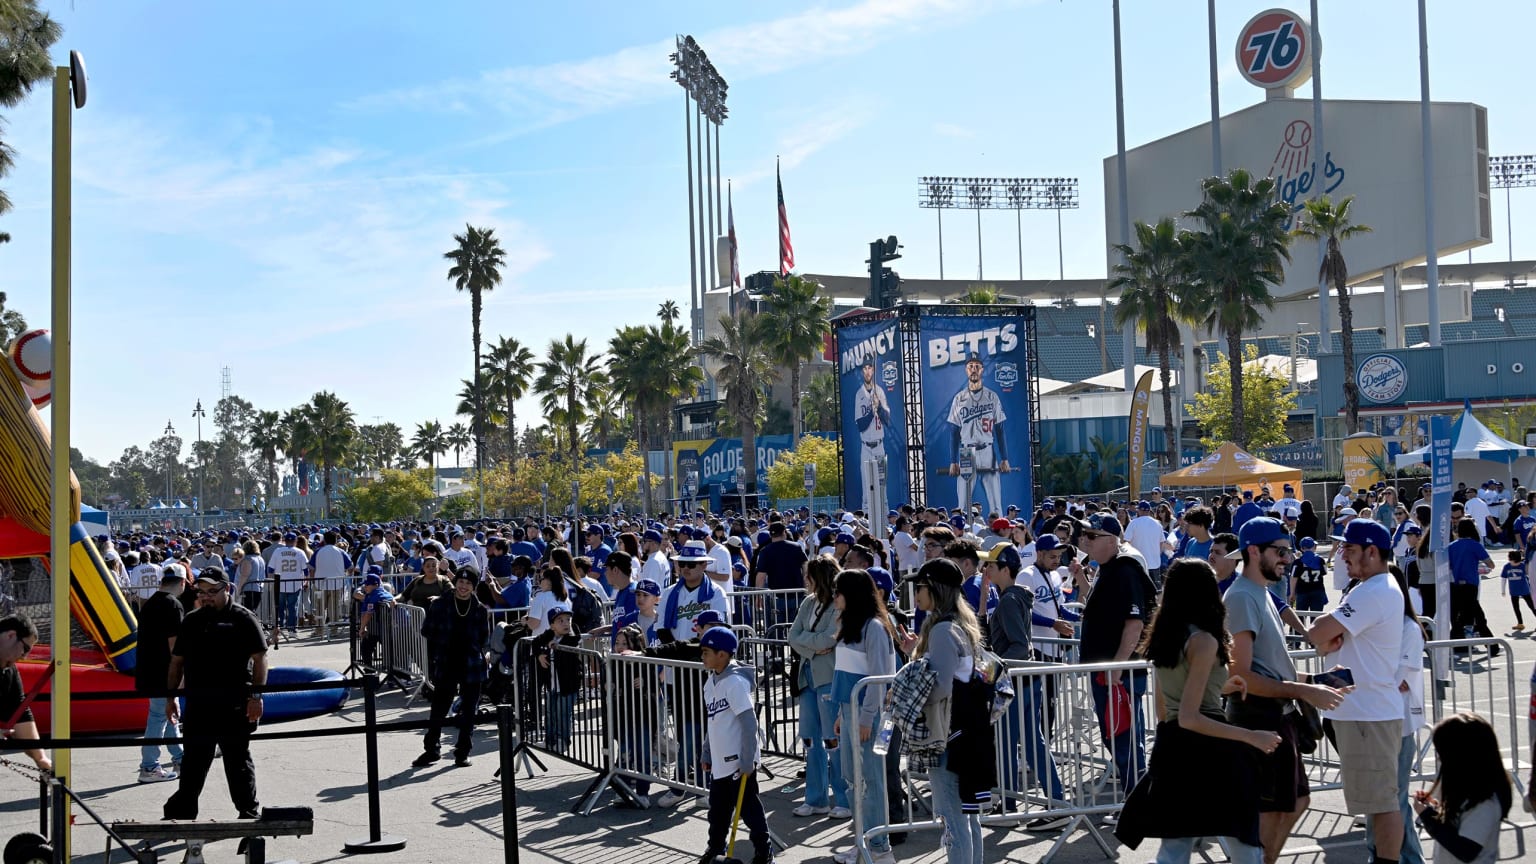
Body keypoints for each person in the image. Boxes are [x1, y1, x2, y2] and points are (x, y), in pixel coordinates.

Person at [1115, 558, 1279, 864]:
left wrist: (1220, 687)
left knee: (1175, 847)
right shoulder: (1203, 641)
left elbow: (1168, 708)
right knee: (1243, 840)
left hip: (1173, 747)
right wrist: (1251, 736)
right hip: (1207, 750)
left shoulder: (1165, 638)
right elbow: (1191, 716)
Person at [1223, 518, 1345, 864]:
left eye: (1288, 551)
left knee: (1297, 801)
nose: (1287, 558)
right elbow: (1241, 674)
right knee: (1270, 812)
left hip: (1279, 716)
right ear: (1253, 551)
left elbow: (1270, 667)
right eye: (1280, 551)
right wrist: (1304, 691)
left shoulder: (1259, 593)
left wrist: (1317, 681)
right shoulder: (1243, 597)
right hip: (1260, 718)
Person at [1303, 519, 1408, 864]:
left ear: (1372, 551)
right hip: (1364, 712)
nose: (1342, 555)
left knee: (1381, 803)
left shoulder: (1375, 590)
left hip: (1368, 714)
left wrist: (1329, 634)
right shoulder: (1370, 588)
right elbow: (1325, 640)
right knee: (1376, 803)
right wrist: (1331, 636)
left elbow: (1318, 633)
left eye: (1349, 548)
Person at [163, 569, 268, 821]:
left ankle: (248, 812)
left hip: (235, 704)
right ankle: (183, 813)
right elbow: (176, 662)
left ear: (226, 589)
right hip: (199, 703)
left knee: (237, 760)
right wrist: (170, 698)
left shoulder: (243, 618)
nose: (206, 596)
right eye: (202, 592)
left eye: (212, 591)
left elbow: (261, 658)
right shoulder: (192, 620)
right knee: (193, 762)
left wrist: (255, 697)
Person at [982, 543, 1067, 828]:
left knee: (1007, 742)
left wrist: (993, 669)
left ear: (1005, 569)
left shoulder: (1008, 600)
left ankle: (1008, 806)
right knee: (1032, 743)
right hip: (1026, 679)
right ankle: (1056, 802)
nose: (987, 570)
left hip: (1015, 680)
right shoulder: (1015, 597)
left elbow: (1019, 645)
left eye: (991, 565)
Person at [1075, 511, 1156, 788]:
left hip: (1119, 672)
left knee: (1125, 739)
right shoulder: (1107, 568)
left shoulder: (1125, 569)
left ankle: (1137, 803)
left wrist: (1118, 666)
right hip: (1106, 669)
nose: (1085, 541)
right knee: (1115, 736)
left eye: (1092, 536)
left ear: (1111, 540)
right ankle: (1136, 799)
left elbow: (1134, 623)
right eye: (1085, 535)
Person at [830, 569, 899, 864]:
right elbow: (845, 673)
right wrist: (842, 714)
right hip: (851, 712)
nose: (834, 597)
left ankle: (879, 845)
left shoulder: (875, 627)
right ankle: (863, 840)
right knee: (852, 777)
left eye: (838, 591)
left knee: (872, 779)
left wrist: (866, 718)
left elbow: (880, 678)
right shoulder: (849, 624)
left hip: (875, 717)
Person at [697, 626, 774, 864]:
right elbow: (714, 721)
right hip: (720, 761)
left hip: (739, 761)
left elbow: (749, 724)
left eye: (707, 652)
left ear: (723, 654)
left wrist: (747, 759)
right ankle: (715, 848)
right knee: (717, 811)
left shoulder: (736, 683)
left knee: (750, 810)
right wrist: (707, 751)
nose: (703, 656)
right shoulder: (710, 683)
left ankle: (764, 852)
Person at [787, 555, 849, 819]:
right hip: (807, 677)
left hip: (829, 678)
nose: (804, 580)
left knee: (833, 739)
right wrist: (814, 648)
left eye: (808, 576)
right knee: (810, 739)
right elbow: (793, 636)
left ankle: (843, 798)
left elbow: (831, 638)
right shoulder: (808, 602)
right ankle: (815, 798)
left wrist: (808, 643)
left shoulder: (838, 605)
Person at [1411, 713, 1512, 864]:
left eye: (1442, 754)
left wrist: (1428, 817)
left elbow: (1466, 850)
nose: (1439, 759)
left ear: (1461, 759)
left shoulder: (1484, 804)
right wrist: (1435, 809)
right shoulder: (1467, 795)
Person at [414, 570, 490, 768]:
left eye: (468, 583)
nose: (464, 586)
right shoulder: (439, 604)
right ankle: (431, 750)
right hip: (447, 662)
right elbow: (426, 630)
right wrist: (443, 642)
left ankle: (463, 751)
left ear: (474, 586)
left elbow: (484, 638)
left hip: (471, 664)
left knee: (469, 710)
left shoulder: (480, 609)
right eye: (461, 582)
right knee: (438, 708)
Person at [944, 352, 1011, 516]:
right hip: (967, 451)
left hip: (988, 449)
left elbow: (1000, 430)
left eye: (977, 366)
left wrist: (1004, 458)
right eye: (970, 366)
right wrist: (953, 461)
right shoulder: (959, 398)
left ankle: (999, 534)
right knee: (963, 504)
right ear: (966, 370)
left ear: (982, 370)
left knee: (995, 502)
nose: (974, 369)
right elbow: (953, 432)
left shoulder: (991, 396)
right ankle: (963, 537)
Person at [135, 571, 186, 783]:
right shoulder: (173, 605)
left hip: (148, 668)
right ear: (182, 582)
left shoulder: (150, 603)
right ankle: (149, 766)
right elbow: (175, 646)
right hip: (164, 672)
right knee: (159, 717)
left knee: (169, 714)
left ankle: (180, 757)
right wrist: (180, 677)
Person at [0, 616, 51, 774]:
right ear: (10, 635)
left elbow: (19, 710)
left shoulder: (9, 671)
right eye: (26, 649)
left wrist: (40, 757)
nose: (24, 656)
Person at [532, 608, 581, 753]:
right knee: (550, 713)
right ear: (552, 625)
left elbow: (574, 640)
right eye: (560, 621)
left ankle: (563, 741)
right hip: (552, 685)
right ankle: (549, 740)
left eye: (568, 620)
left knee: (563, 715)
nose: (566, 623)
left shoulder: (571, 637)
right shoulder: (548, 635)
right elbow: (535, 643)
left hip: (567, 686)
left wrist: (556, 647)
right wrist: (540, 654)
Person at [1447, 518, 1497, 649]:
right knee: (1478, 616)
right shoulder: (1475, 545)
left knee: (1458, 616)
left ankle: (1458, 644)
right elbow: (1490, 564)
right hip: (1471, 584)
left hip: (1456, 584)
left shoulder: (1451, 546)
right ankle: (1491, 644)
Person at [855, 355, 893, 521]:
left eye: (870, 367)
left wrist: (879, 408)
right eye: (865, 368)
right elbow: (860, 425)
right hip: (866, 446)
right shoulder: (859, 394)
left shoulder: (880, 392)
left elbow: (887, 421)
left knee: (882, 487)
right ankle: (867, 521)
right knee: (866, 488)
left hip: (879, 446)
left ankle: (884, 523)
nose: (868, 371)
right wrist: (872, 411)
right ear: (862, 371)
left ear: (873, 370)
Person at [268, 532, 308, 637]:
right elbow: (306, 570)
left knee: (280, 607)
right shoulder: (300, 552)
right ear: (295, 541)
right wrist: (306, 581)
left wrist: (272, 581)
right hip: (295, 583)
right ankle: (292, 630)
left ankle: (279, 628)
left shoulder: (277, 551)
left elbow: (270, 569)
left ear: (285, 541)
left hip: (280, 583)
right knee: (292, 608)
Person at [1288, 537, 1329, 612]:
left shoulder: (1298, 562)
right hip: (1318, 591)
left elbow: (1293, 577)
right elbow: (1325, 572)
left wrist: (1292, 593)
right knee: (1316, 616)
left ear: (1302, 548)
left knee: (1301, 616)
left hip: (1302, 592)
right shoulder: (1320, 560)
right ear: (1314, 547)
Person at [1501, 549, 1534, 631]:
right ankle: (1520, 623)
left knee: (1532, 606)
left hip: (1525, 590)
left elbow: (1531, 577)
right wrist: (1503, 590)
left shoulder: (1523, 566)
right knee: (1516, 608)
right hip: (1513, 591)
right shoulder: (1507, 566)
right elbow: (1503, 579)